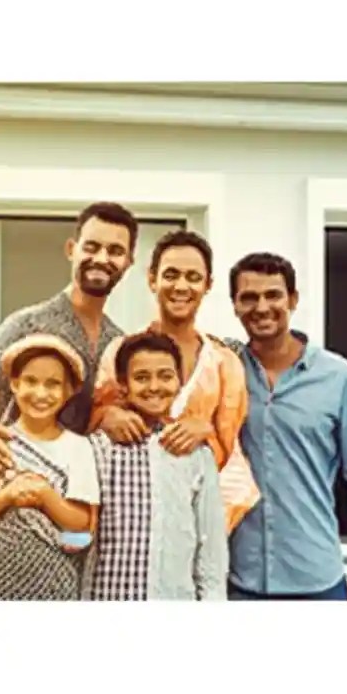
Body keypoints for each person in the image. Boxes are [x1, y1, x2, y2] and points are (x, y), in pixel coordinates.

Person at [224, 252, 347, 601]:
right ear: (235, 305)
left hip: (316, 579)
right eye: (249, 297)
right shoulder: (224, 371)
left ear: (293, 300)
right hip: (238, 579)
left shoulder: (339, 378)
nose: (262, 306)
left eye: (273, 295)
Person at [90, 229, 260, 534]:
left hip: (200, 521)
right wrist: (106, 415)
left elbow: (227, 440)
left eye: (193, 277)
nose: (181, 286)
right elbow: (91, 423)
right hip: (129, 520)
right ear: (152, 279)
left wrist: (204, 430)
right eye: (171, 274)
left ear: (208, 285)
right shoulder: (120, 352)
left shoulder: (224, 363)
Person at [0, 201, 138, 481]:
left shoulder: (119, 346)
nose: (101, 258)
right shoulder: (27, 324)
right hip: (17, 490)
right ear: (71, 250)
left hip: (80, 500)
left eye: (115, 251)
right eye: (91, 247)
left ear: (129, 262)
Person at [83, 332, 228, 601]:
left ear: (180, 382)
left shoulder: (195, 454)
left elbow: (211, 549)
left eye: (165, 376)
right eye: (141, 378)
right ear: (123, 385)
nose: (154, 386)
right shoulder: (98, 448)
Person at [0, 334, 101, 600]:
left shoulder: (79, 448)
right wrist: (6, 496)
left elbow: (82, 524)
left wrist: (45, 496)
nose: (41, 393)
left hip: (52, 581)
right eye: (30, 381)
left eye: (53, 384)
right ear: (14, 384)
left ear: (68, 392)